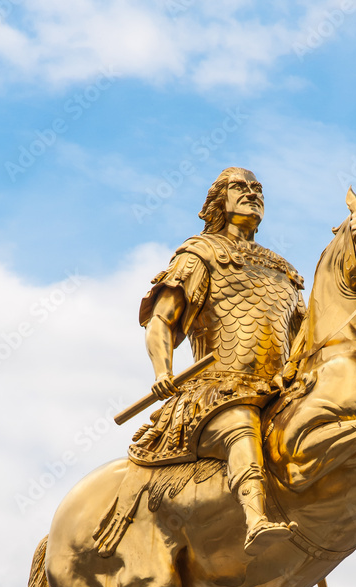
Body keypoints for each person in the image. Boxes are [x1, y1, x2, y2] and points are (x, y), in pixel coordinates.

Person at [131, 167, 305, 552]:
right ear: (219, 202)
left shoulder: (285, 270)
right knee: (239, 421)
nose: (252, 193)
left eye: (257, 188)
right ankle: (256, 519)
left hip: (277, 390)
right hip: (216, 391)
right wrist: (163, 371)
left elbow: (304, 337)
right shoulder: (201, 253)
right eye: (240, 188)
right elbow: (161, 318)